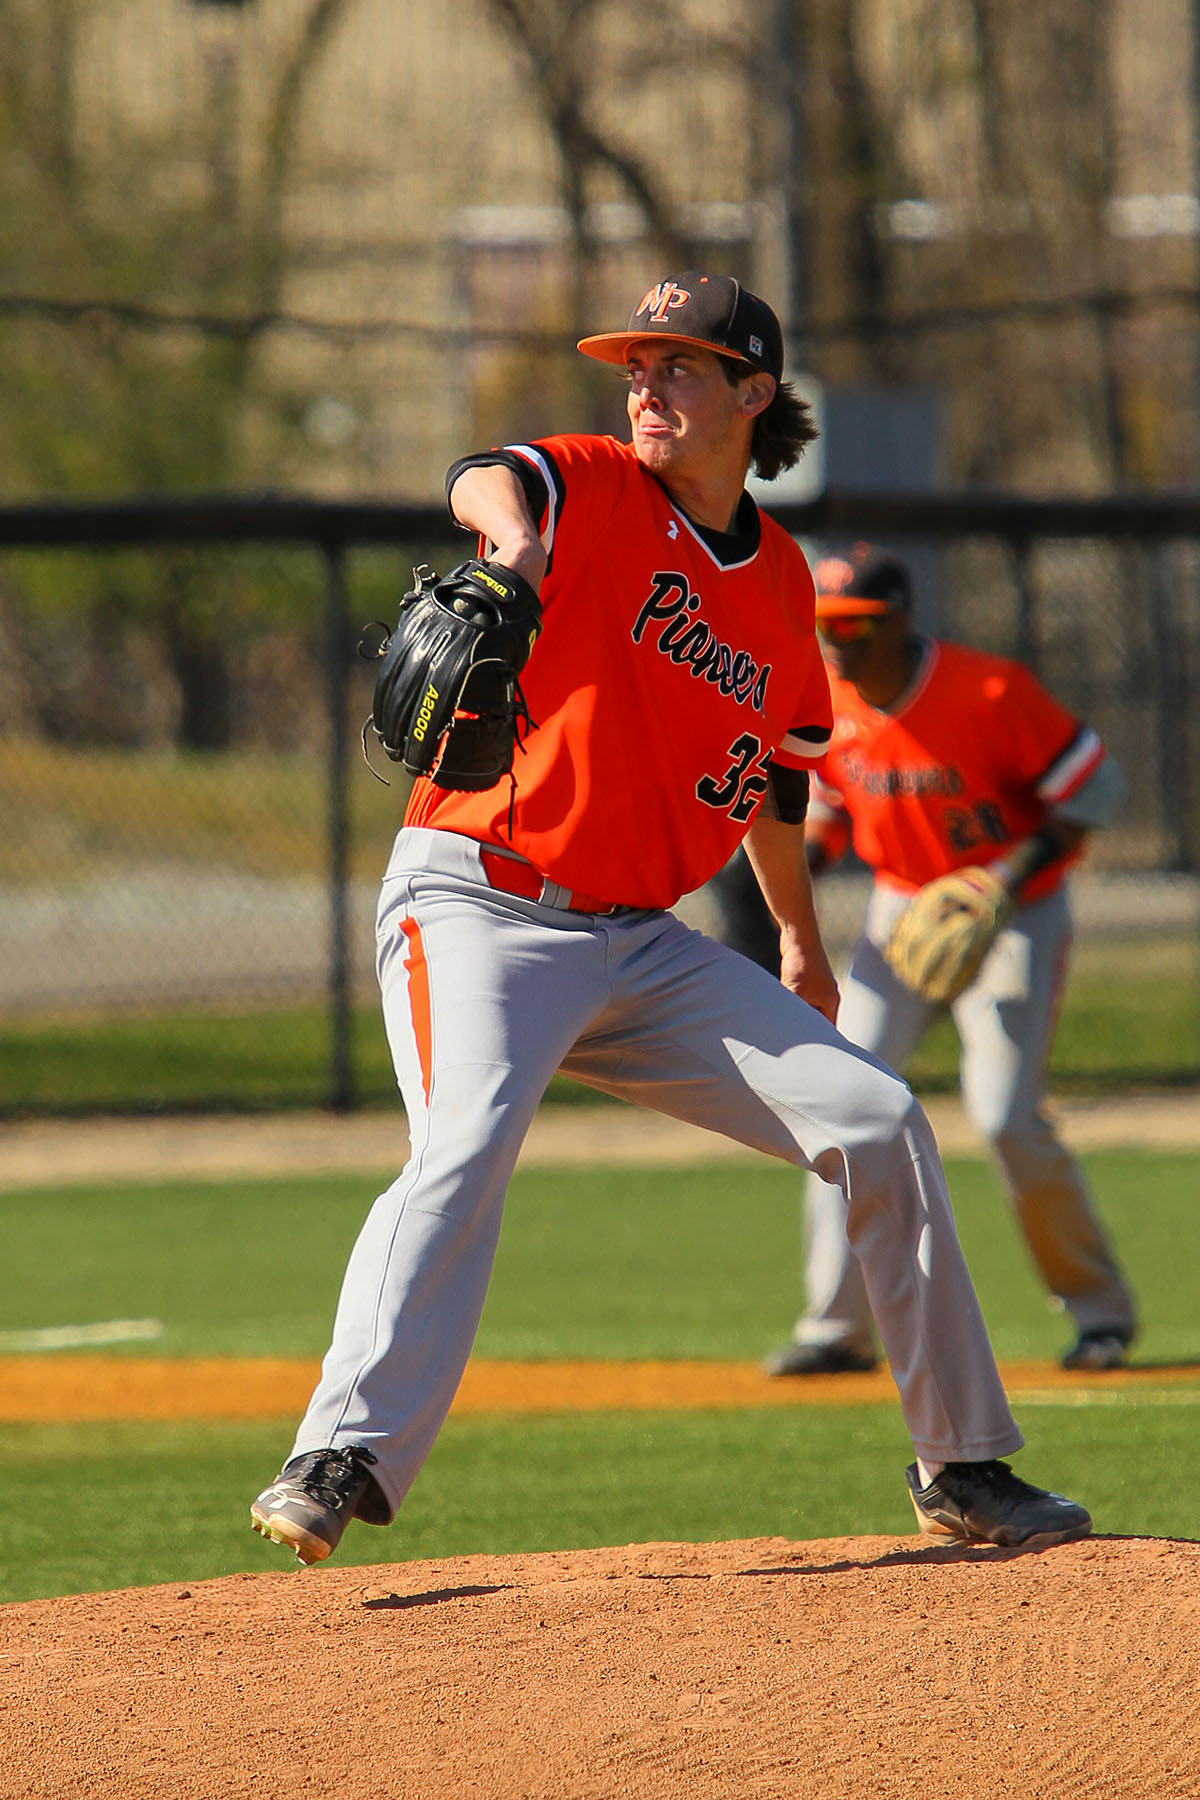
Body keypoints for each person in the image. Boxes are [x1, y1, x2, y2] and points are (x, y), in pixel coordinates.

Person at [250, 273, 1092, 1567]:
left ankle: (963, 1465)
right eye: (636, 364)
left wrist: (800, 941)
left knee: (880, 1122)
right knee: (466, 1140)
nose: (645, 384)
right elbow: (487, 475)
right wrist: (514, 552)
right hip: (480, 899)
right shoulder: (591, 484)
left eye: (680, 365)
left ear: (753, 393)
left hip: (639, 943)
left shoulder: (778, 582)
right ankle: (341, 1449)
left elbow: (776, 774)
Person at [757, 543, 1137, 1380]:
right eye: (824, 626)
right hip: (902, 910)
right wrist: (788, 879)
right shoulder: (824, 698)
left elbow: (1095, 790)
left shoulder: (989, 689)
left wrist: (1004, 879)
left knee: (1005, 1115)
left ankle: (1099, 1313)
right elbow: (822, 811)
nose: (837, 644)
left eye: (855, 626)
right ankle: (836, 1328)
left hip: (1011, 909)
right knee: (840, 1104)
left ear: (898, 620)